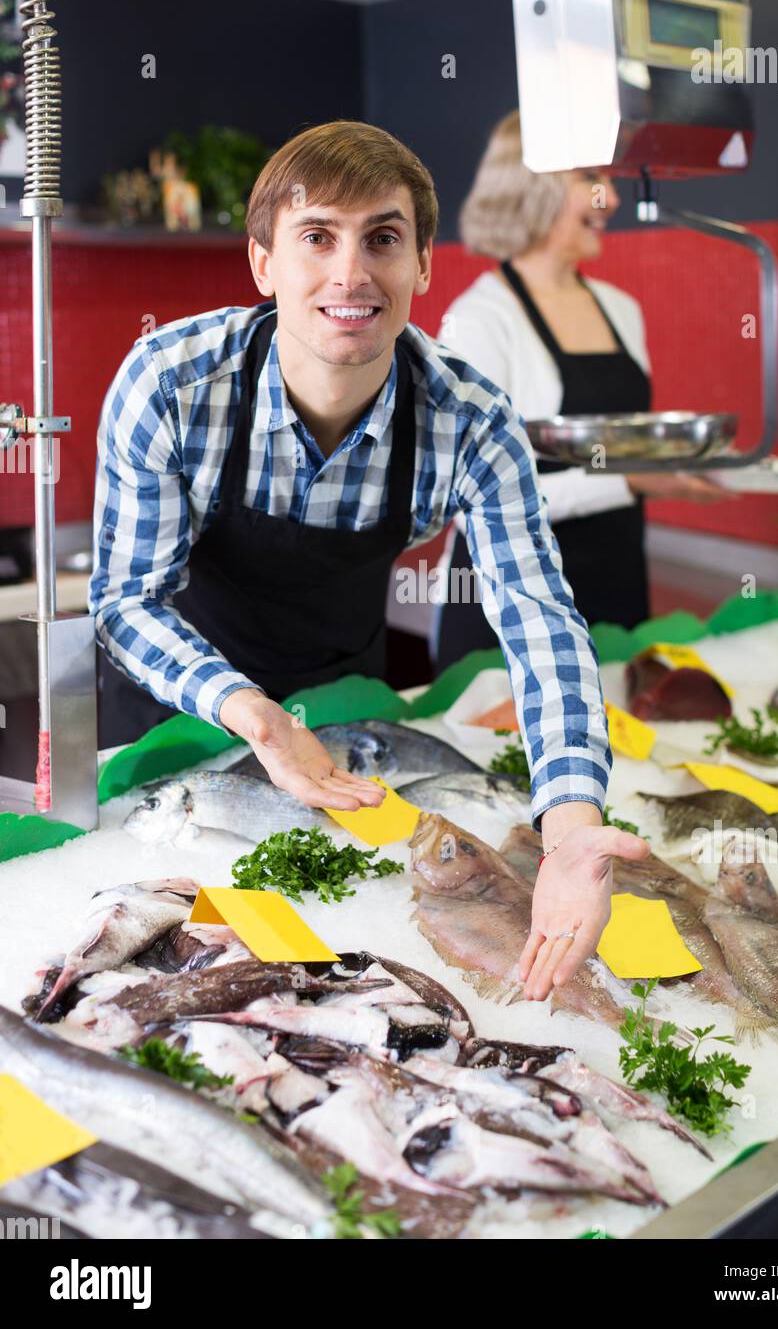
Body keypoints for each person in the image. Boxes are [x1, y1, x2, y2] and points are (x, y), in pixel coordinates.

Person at [90, 118, 649, 1003]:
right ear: (263, 265)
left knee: (331, 949)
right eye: (316, 238)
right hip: (173, 717)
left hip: (340, 716)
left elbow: (540, 623)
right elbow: (125, 603)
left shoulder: (471, 420)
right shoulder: (169, 380)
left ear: (424, 264)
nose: (350, 274)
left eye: (382, 239)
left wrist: (572, 822)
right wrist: (252, 714)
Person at [435, 111, 732, 672]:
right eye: (590, 177)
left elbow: (626, 441)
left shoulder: (622, 309)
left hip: (615, 586)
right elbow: (470, 502)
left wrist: (693, 461)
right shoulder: (480, 320)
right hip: (510, 607)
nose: (612, 199)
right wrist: (632, 479)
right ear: (532, 184)